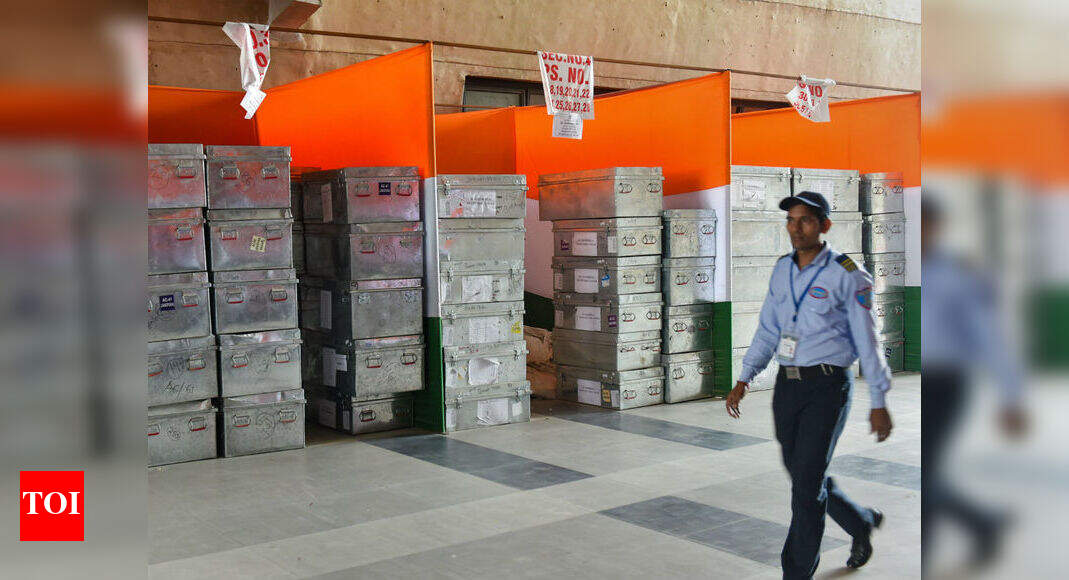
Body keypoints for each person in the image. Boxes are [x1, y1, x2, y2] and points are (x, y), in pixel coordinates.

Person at [725, 190, 892, 579]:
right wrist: (745, 377)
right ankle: (860, 521)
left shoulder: (848, 275)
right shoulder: (782, 269)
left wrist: (879, 400)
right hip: (788, 386)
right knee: (803, 475)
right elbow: (769, 329)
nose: (795, 228)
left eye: (805, 220)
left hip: (828, 388)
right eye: (790, 220)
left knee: (805, 488)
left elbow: (868, 340)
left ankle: (796, 571)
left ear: (824, 226)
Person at [920, 193, 1026, 572]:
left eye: (926, 224)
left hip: (946, 385)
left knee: (926, 475)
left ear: (937, 227)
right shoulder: (914, 272)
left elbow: (989, 337)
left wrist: (1011, 397)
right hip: (919, 384)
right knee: (927, 474)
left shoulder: (960, 275)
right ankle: (984, 523)